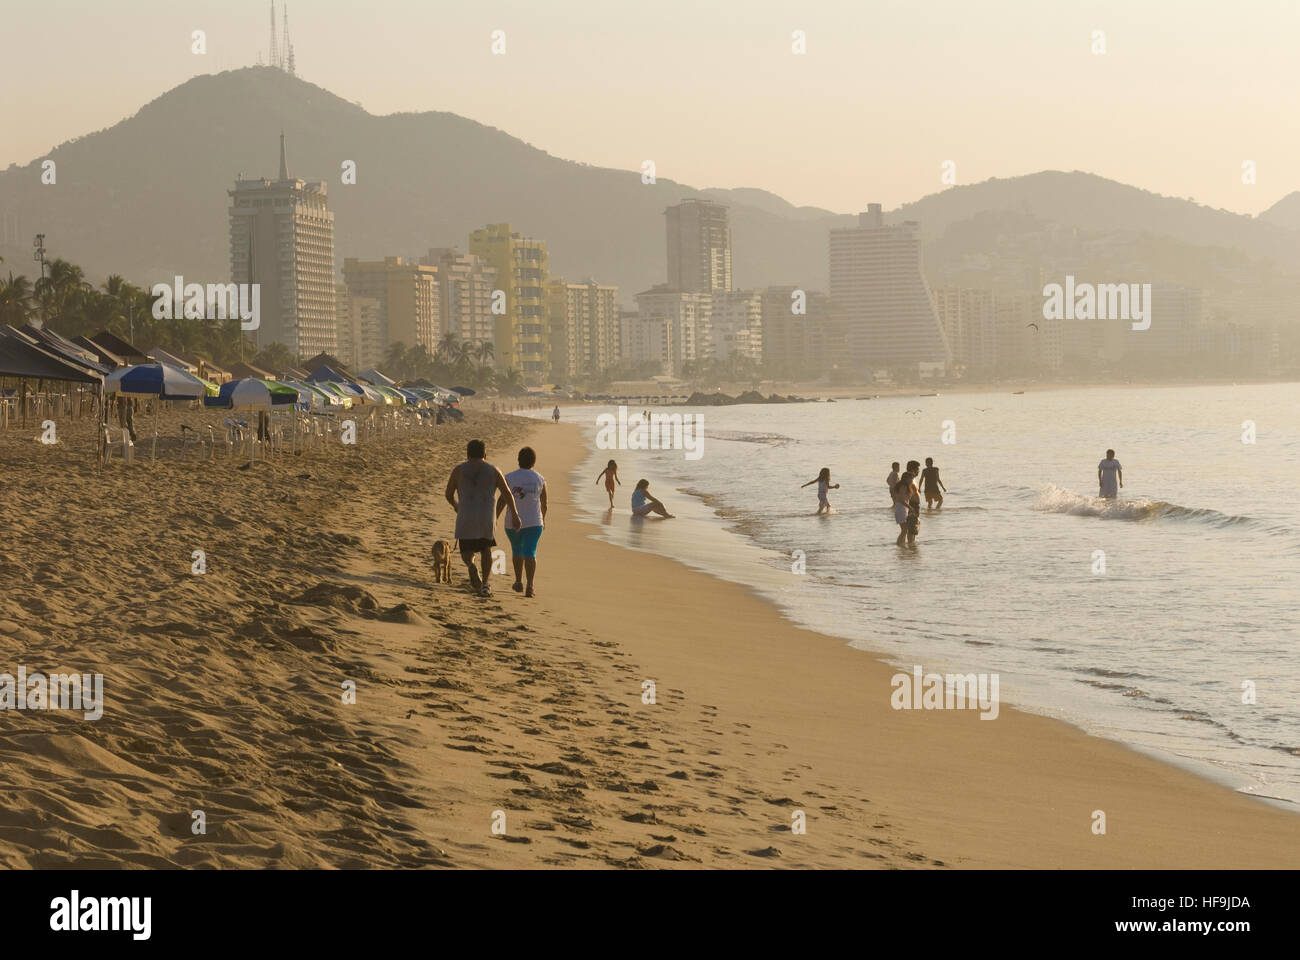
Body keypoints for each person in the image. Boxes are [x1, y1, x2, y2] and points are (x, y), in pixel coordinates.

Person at [445, 439, 520, 598]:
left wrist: (456, 505)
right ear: (485, 454)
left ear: (467, 454)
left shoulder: (459, 470)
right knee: (486, 549)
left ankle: (471, 565)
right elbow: (507, 494)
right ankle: (485, 584)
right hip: (486, 516)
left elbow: (448, 494)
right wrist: (515, 514)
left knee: (466, 549)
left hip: (466, 514)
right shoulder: (494, 470)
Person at [498, 446, 547, 598]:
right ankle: (530, 586)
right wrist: (543, 520)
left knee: (517, 550)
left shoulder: (509, 477)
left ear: (518, 460)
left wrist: (495, 518)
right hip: (534, 522)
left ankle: (519, 581)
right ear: (534, 461)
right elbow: (544, 503)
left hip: (512, 522)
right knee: (530, 552)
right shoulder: (540, 479)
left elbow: (502, 500)